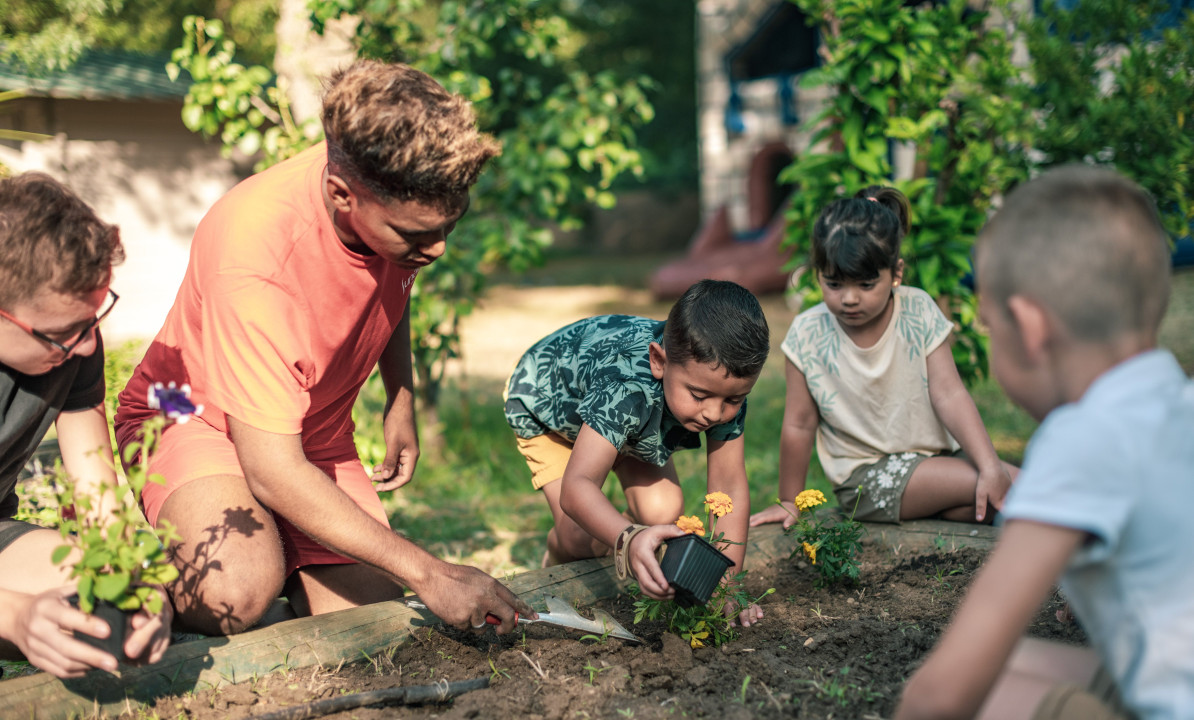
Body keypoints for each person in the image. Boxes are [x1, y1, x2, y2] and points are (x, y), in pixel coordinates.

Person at [114, 60, 532, 637]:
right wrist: (429, 572)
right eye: (416, 235)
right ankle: (144, 575)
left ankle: (274, 550)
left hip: (308, 429)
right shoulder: (257, 259)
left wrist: (400, 396)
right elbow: (272, 469)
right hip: (192, 418)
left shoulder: (377, 185)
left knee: (371, 622)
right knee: (236, 594)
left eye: (447, 228)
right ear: (340, 195)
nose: (436, 251)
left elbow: (393, 278)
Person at [896, 165, 1192, 720]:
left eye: (991, 328)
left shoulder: (1083, 438)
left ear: (1030, 329)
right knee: (1017, 663)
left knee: (983, 694)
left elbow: (941, 696)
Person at [504, 279, 770, 627]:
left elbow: (729, 487)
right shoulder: (626, 385)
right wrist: (628, 539)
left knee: (662, 509)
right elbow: (577, 486)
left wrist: (728, 587)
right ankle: (554, 560)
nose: (714, 414)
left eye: (733, 400)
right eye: (700, 396)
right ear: (659, 361)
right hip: (548, 408)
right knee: (577, 535)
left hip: (620, 422)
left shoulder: (715, 385)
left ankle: (628, 537)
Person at [749, 186, 1016, 530]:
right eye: (833, 284)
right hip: (865, 480)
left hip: (938, 461)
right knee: (1022, 485)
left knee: (994, 491)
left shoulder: (917, 309)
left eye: (865, 285)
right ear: (817, 274)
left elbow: (950, 393)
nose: (848, 299)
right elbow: (799, 424)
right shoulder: (807, 334)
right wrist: (789, 501)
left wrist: (990, 464)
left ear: (897, 273)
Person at [0, 173, 171, 677]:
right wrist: (14, 617)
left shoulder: (74, 348)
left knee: (94, 605)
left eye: (93, 321)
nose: (89, 346)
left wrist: (135, 585)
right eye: (62, 334)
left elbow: (99, 501)